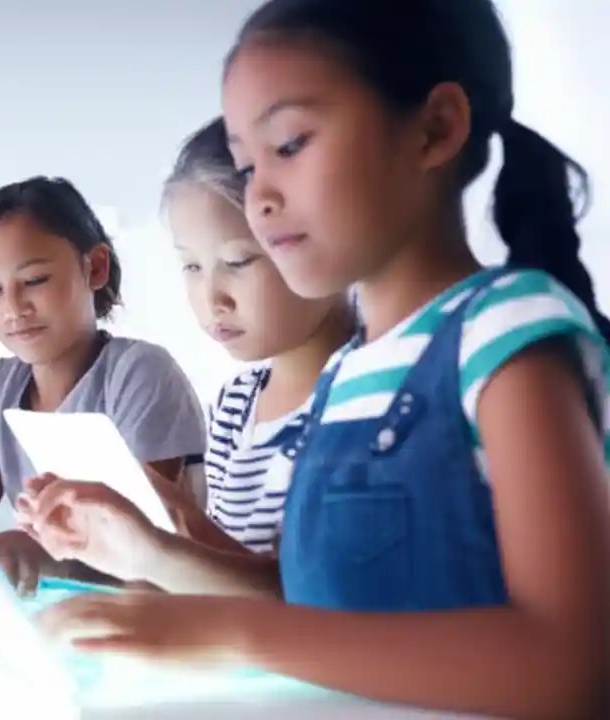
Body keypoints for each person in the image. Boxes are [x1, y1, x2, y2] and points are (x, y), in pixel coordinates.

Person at [38, 1, 610, 716]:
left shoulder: (504, 332)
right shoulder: (348, 373)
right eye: (247, 165)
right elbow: (320, 612)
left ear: (434, 129)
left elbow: (571, 664)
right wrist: (150, 553)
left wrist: (235, 633)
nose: (260, 197)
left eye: (290, 145)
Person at [18, 117, 354, 597]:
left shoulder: (365, 395)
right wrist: (157, 523)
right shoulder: (236, 403)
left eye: (237, 262)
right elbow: (232, 572)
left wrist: (163, 538)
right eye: (191, 266)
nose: (211, 296)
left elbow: (317, 602)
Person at [0, 177, 209, 594]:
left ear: (96, 268)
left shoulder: (140, 374)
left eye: (34, 281)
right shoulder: (4, 384)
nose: (14, 308)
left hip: (166, 619)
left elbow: (142, 549)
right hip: (70, 619)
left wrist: (35, 551)